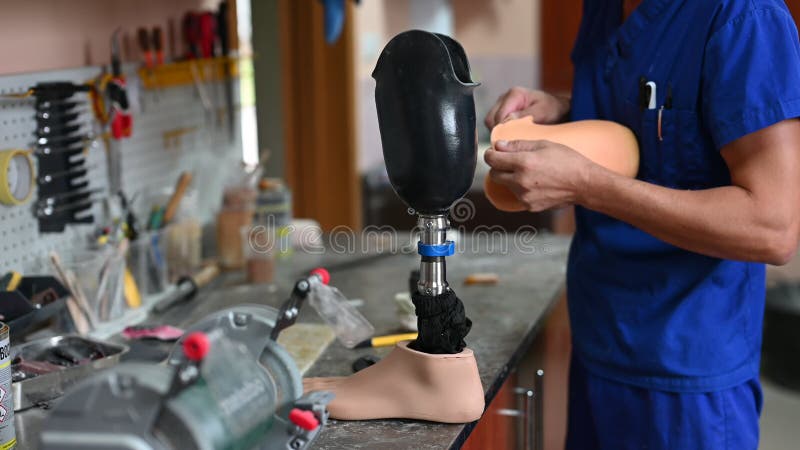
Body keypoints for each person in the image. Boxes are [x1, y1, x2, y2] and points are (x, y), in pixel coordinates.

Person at [483, 1, 800, 449]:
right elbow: (651, 123)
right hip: (597, 347)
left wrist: (589, 186)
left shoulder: (744, 17)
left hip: (684, 379)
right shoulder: (604, 10)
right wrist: (563, 108)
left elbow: (773, 226)